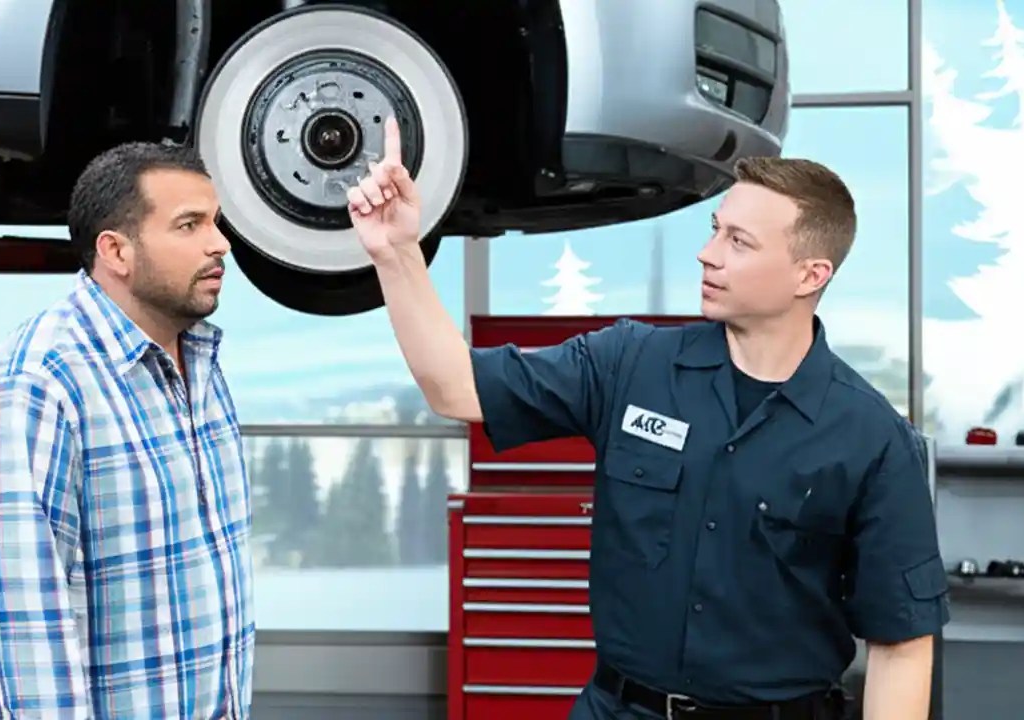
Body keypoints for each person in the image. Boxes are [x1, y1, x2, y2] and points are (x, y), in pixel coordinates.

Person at [347, 119, 949, 720]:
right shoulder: (629, 363)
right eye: (716, 231)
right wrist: (397, 253)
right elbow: (457, 388)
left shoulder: (872, 440)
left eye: (739, 242)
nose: (707, 253)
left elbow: (900, 645)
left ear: (809, 275)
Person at [0, 141, 253, 719]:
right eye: (189, 225)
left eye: (216, 222)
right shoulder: (35, 387)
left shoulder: (198, 362)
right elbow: (24, 632)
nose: (220, 244)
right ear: (116, 250)